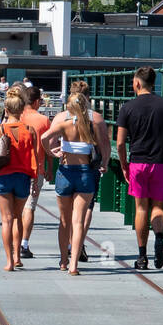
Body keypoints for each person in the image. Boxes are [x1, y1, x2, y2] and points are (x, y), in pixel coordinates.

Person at [116, 67, 163, 270]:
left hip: (138, 163)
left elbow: (120, 143)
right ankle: (160, 238)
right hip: (161, 163)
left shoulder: (128, 107)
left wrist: (124, 165)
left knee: (141, 208)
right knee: (158, 206)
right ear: (153, 83)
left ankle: (142, 257)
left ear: (137, 83)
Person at [42, 95, 103, 276]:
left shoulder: (63, 124)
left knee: (64, 221)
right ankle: (74, 265)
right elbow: (102, 145)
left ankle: (62, 260)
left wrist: (51, 152)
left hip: (66, 172)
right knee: (78, 222)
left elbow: (44, 137)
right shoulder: (91, 126)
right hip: (85, 173)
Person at [0, 94, 44, 272]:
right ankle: (18, 256)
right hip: (23, 178)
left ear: (6, 110)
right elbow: (34, 158)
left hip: (3, 177)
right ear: (22, 111)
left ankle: (9, 262)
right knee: (17, 217)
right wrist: (35, 182)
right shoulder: (30, 130)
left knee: (6, 220)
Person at [68, 80, 111, 262]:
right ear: (88, 97)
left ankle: (69, 246)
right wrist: (106, 162)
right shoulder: (96, 118)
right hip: (89, 167)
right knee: (87, 208)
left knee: (69, 209)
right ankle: (78, 244)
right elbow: (105, 145)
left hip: (68, 166)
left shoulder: (65, 116)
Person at [17, 86, 52, 260]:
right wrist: (50, 167)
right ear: (37, 101)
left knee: (15, 209)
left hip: (15, 168)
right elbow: (49, 146)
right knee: (29, 207)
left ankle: (13, 247)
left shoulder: (16, 116)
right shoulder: (44, 120)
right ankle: (24, 244)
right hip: (35, 169)